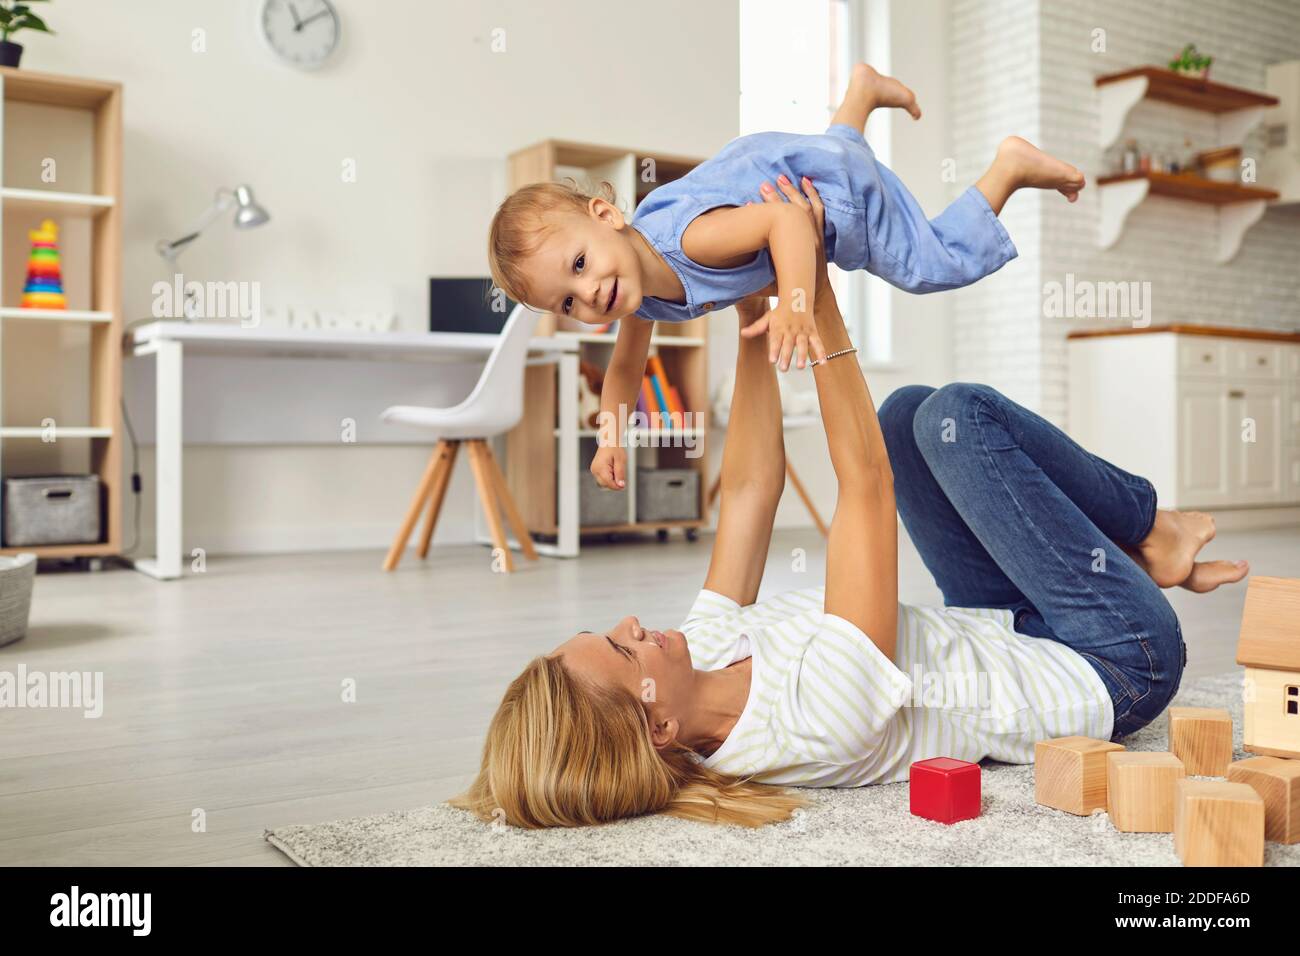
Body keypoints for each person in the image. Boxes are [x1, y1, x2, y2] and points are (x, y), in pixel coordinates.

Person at [452, 176, 1247, 829]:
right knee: (952, 417)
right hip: (1109, 664)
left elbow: (753, 489)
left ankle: (1140, 543)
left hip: (1003, 628)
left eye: (609, 632)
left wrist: (748, 303)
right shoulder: (813, 717)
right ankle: (1149, 525)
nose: (630, 625)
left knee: (906, 418)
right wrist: (814, 291)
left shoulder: (701, 656)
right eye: (625, 651)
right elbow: (864, 483)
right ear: (658, 727)